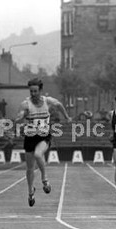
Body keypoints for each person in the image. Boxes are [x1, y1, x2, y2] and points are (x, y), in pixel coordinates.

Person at [14, 78, 72, 207]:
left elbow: (59, 105)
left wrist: (66, 116)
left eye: (35, 91)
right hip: (30, 137)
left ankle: (45, 180)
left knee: (38, 154)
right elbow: (18, 118)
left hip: (44, 136)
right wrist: (21, 117)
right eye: (31, 91)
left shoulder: (48, 101)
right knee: (29, 168)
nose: (33, 94)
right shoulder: (25, 104)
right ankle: (30, 192)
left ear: (40, 90)